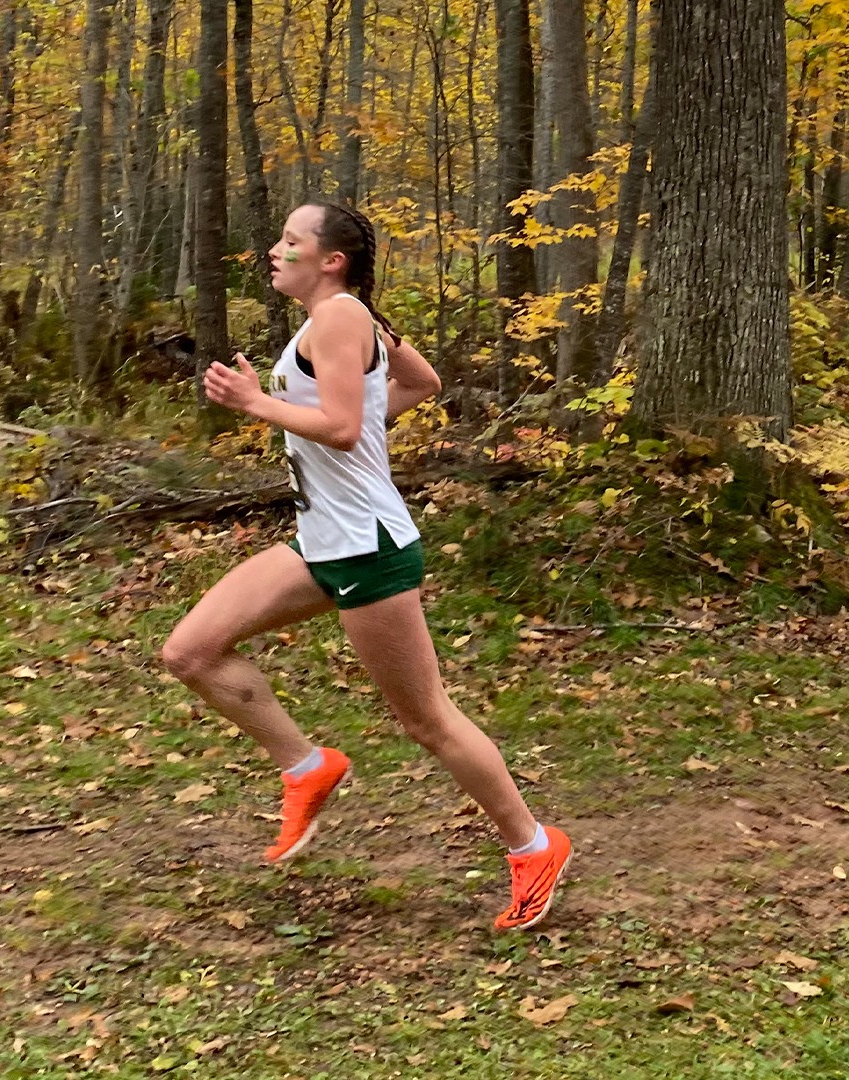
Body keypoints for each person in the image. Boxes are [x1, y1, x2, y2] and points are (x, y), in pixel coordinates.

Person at [161, 202, 572, 930]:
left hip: (368, 550)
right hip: (323, 540)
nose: (275, 250)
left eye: (292, 241)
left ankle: (534, 846)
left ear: (331, 261)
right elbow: (420, 383)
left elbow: (346, 430)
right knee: (191, 651)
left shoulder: (339, 319)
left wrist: (257, 402)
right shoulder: (346, 320)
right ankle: (306, 766)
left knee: (428, 721)